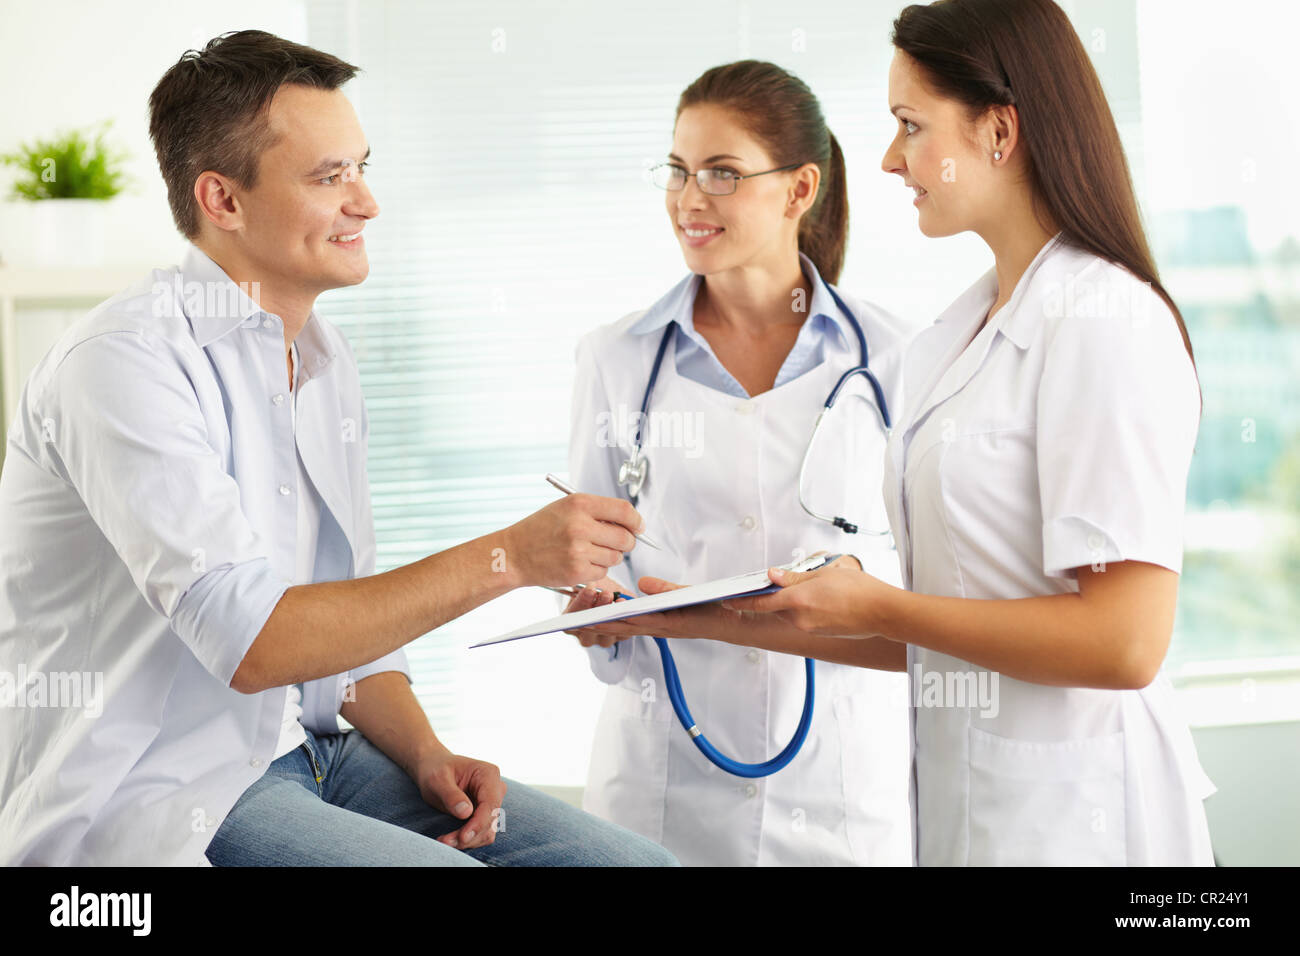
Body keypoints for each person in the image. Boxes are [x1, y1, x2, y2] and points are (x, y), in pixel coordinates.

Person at [0, 29, 676, 868]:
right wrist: (512, 556)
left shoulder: (322, 360)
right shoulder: (123, 365)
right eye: (330, 177)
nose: (367, 202)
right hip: (167, 789)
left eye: (361, 166)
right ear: (223, 200)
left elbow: (344, 618)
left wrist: (424, 753)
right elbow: (255, 645)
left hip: (320, 754)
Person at [581, 0, 1217, 867]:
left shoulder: (1102, 317)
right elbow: (944, 626)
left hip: (1084, 819)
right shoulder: (956, 336)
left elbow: (1125, 642)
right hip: (968, 815)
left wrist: (873, 601)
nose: (886, 159)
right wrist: (695, 618)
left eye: (910, 126)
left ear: (999, 130)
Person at [562, 60, 913, 867]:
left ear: (799, 191)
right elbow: (586, 552)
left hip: (840, 789)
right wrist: (591, 607)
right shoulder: (617, 360)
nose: (690, 199)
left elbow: (925, 577)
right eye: (679, 171)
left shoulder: (898, 358)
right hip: (662, 781)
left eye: (722, 173)